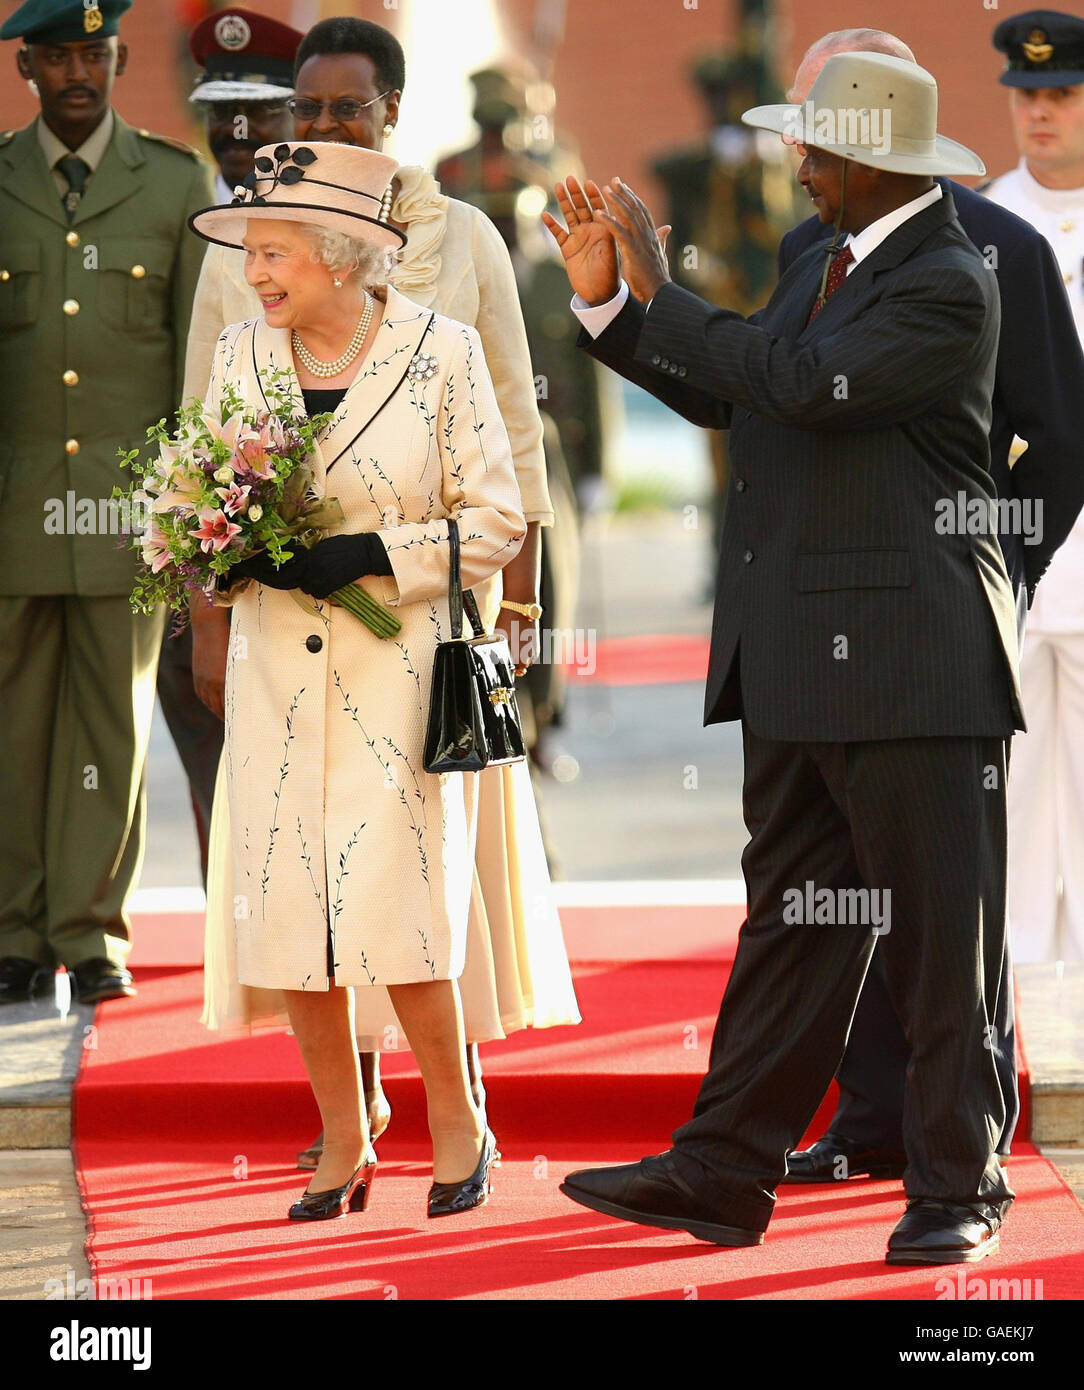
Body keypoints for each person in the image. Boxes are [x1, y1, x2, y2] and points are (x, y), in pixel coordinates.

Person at [546, 52, 1020, 1265]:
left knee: (936, 933)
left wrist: (669, 285)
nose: (794, 165)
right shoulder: (821, 259)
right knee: (793, 926)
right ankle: (720, 1171)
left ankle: (956, 1187)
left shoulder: (951, 281)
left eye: (812, 148)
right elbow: (737, 393)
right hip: (800, 654)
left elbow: (804, 383)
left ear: (869, 160)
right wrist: (616, 309)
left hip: (916, 660)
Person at [186, 16, 580, 1169]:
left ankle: (453, 1112)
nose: (319, 130)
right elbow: (202, 451)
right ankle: (346, 1115)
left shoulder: (459, 239)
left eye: (344, 112)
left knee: (411, 870)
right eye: (304, 113)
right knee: (295, 865)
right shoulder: (239, 253)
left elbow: (514, 429)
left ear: (391, 115)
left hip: (416, 627)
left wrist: (516, 607)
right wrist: (209, 610)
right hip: (279, 634)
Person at [778, 29, 1084, 1185]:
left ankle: (965, 1124)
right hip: (826, 623)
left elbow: (1056, 440)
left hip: (945, 620)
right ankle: (864, 1120)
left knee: (958, 883)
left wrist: (993, 570)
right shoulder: (809, 246)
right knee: (848, 880)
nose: (804, 144)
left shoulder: (993, 247)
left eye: (823, 116)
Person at [0, 0, 214, 1006]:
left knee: (112, 728)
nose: (78, 72)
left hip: (129, 513)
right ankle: (11, 932)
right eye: (57, 56)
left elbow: (198, 365)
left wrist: (191, 513)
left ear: (121, 58)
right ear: (27, 68)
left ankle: (90, 934)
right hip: (13, 512)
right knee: (13, 727)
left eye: (95, 53)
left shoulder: (173, 186)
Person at [155, 7, 303, 888]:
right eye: (223, 115)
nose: (239, 136)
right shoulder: (176, 209)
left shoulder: (336, 228)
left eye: (262, 117)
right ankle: (235, 924)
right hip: (198, 532)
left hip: (309, 544)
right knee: (204, 732)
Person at [985, 10, 1084, 965]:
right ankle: (1005, 1030)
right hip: (1006, 548)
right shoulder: (981, 223)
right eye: (1027, 96)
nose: (1041, 113)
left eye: (1060, 94)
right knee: (1008, 804)